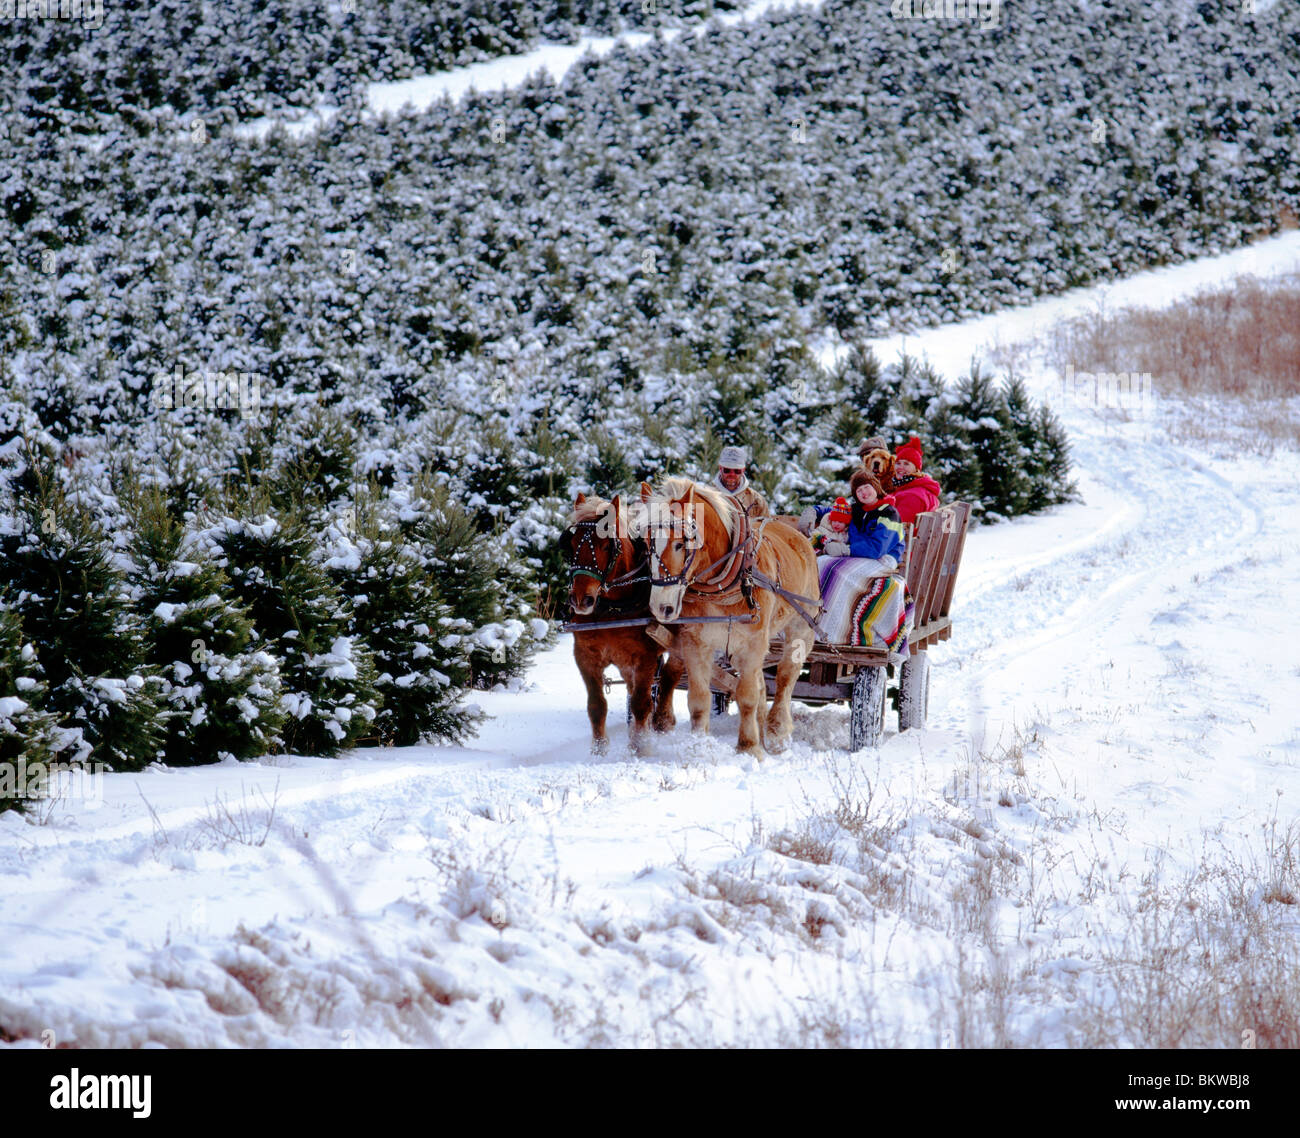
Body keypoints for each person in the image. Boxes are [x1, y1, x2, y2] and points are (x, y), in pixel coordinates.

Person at [840, 469, 906, 572]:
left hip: (886, 557)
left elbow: (878, 548)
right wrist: (816, 511)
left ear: (876, 487)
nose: (864, 493)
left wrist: (847, 550)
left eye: (866, 487)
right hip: (859, 555)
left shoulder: (889, 513)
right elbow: (835, 511)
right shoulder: (857, 510)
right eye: (859, 490)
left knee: (848, 572)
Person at [889, 436, 941, 524]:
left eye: (906, 464)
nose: (900, 467)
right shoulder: (910, 487)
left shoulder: (912, 496)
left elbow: (898, 526)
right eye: (898, 463)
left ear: (916, 469)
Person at [712, 445, 768, 516]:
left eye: (737, 471)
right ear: (720, 468)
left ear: (743, 470)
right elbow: (699, 521)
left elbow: (767, 525)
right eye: (727, 470)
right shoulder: (705, 496)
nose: (732, 474)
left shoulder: (757, 501)